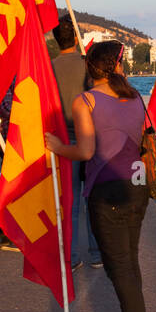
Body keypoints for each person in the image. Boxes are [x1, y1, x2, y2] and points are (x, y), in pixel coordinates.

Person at [45, 41, 155, 312]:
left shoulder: (86, 101)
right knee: (127, 261)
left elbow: (86, 152)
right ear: (117, 65)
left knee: (118, 264)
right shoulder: (135, 96)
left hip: (108, 190)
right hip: (137, 186)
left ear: (92, 67)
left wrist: (56, 146)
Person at [49, 15, 100, 267]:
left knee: (69, 202)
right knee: (92, 198)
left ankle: (69, 257)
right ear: (77, 34)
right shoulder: (88, 65)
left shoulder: (48, 68)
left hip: (63, 141)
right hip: (89, 136)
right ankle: (97, 252)